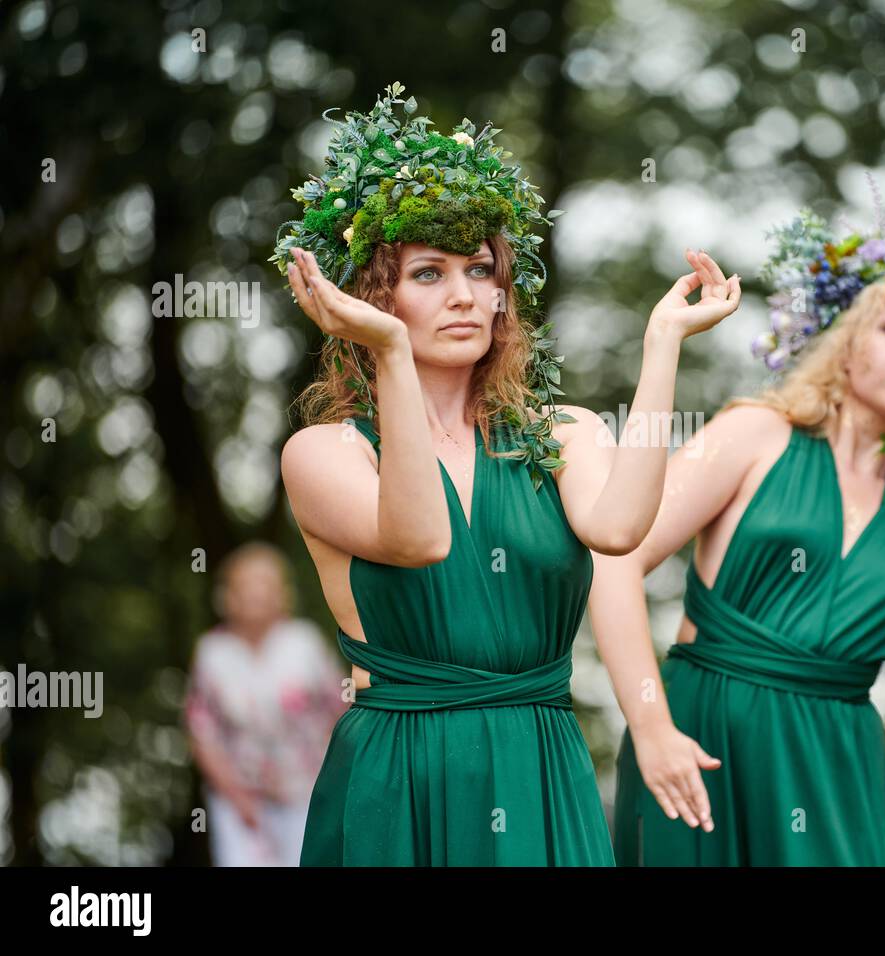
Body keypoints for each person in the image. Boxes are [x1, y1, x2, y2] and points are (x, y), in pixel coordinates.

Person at [270, 83, 740, 865]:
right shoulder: (324, 453)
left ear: (503, 292)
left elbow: (620, 531)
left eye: (480, 270)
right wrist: (389, 352)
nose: (462, 295)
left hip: (541, 771)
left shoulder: (563, 434)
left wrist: (663, 347)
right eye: (427, 274)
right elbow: (419, 537)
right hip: (402, 777)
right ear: (372, 298)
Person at [590, 192, 885, 866]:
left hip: (841, 780)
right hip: (701, 751)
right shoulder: (754, 435)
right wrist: (649, 723)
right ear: (847, 342)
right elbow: (610, 561)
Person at [183, 541, 348, 866]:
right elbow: (201, 735)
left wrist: (332, 782)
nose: (257, 594)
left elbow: (342, 711)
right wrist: (237, 797)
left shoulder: (306, 642)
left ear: (282, 593)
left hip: (308, 794)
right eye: (246, 585)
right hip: (239, 803)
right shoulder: (211, 652)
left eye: (266, 584)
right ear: (227, 595)